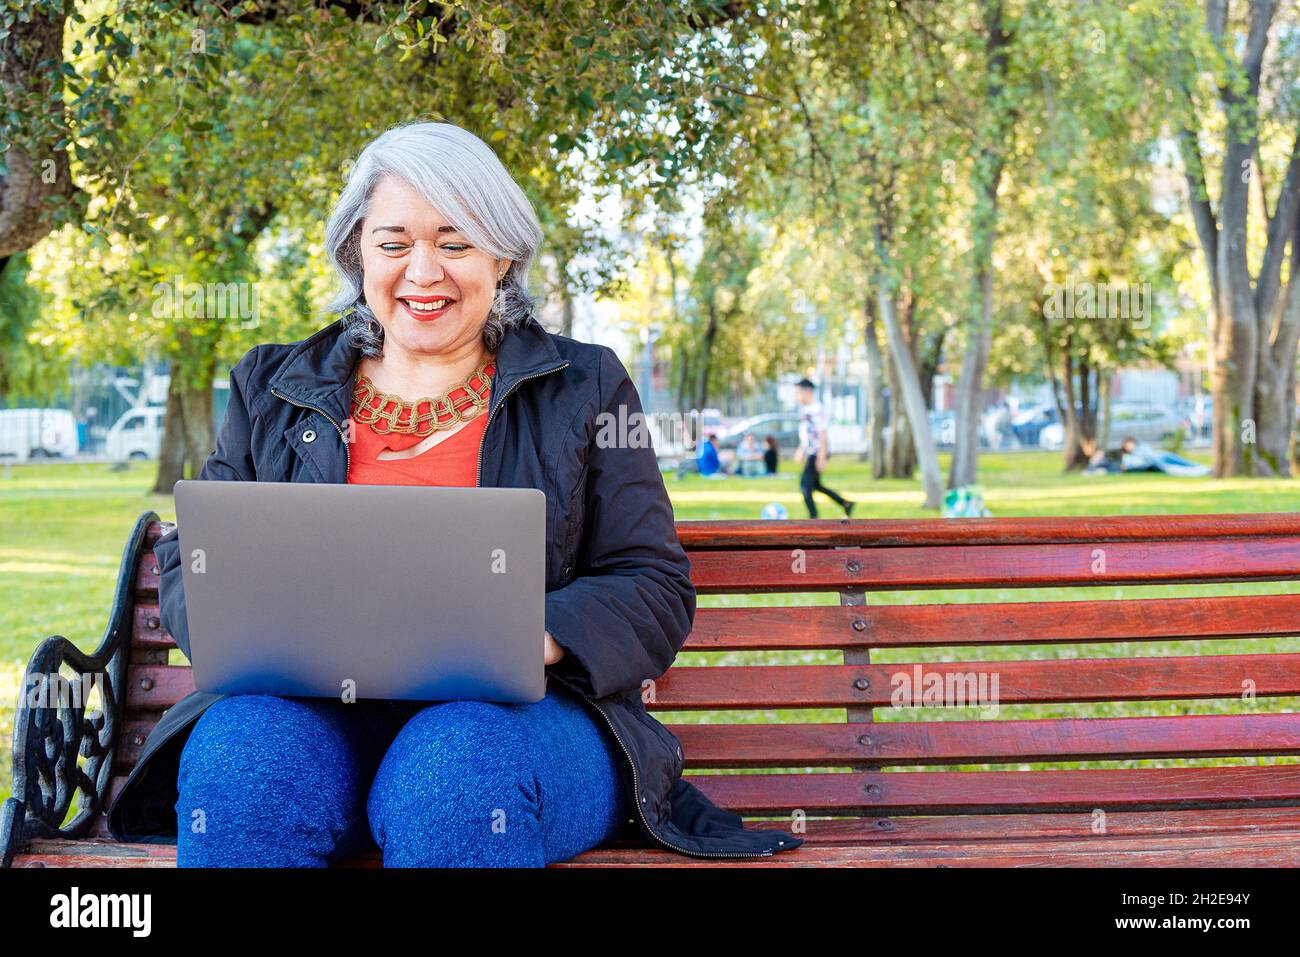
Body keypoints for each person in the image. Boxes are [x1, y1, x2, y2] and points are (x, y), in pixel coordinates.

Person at [106, 120, 801, 866]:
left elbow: (654, 585)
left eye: (455, 242)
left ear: (502, 254)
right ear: (358, 254)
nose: (423, 271)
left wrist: (535, 633)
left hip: (525, 721)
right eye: (395, 243)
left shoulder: (586, 386)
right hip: (311, 713)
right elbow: (193, 564)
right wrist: (252, 628)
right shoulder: (269, 385)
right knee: (244, 760)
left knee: (453, 773)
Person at [795, 377, 854, 518]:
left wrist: (821, 457)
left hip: (817, 452)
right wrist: (801, 449)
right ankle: (845, 503)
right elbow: (808, 432)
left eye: (798, 393)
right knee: (815, 485)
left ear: (807, 391)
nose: (796, 397)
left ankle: (814, 519)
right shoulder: (806, 409)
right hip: (811, 451)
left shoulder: (817, 409)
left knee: (805, 486)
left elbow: (822, 434)